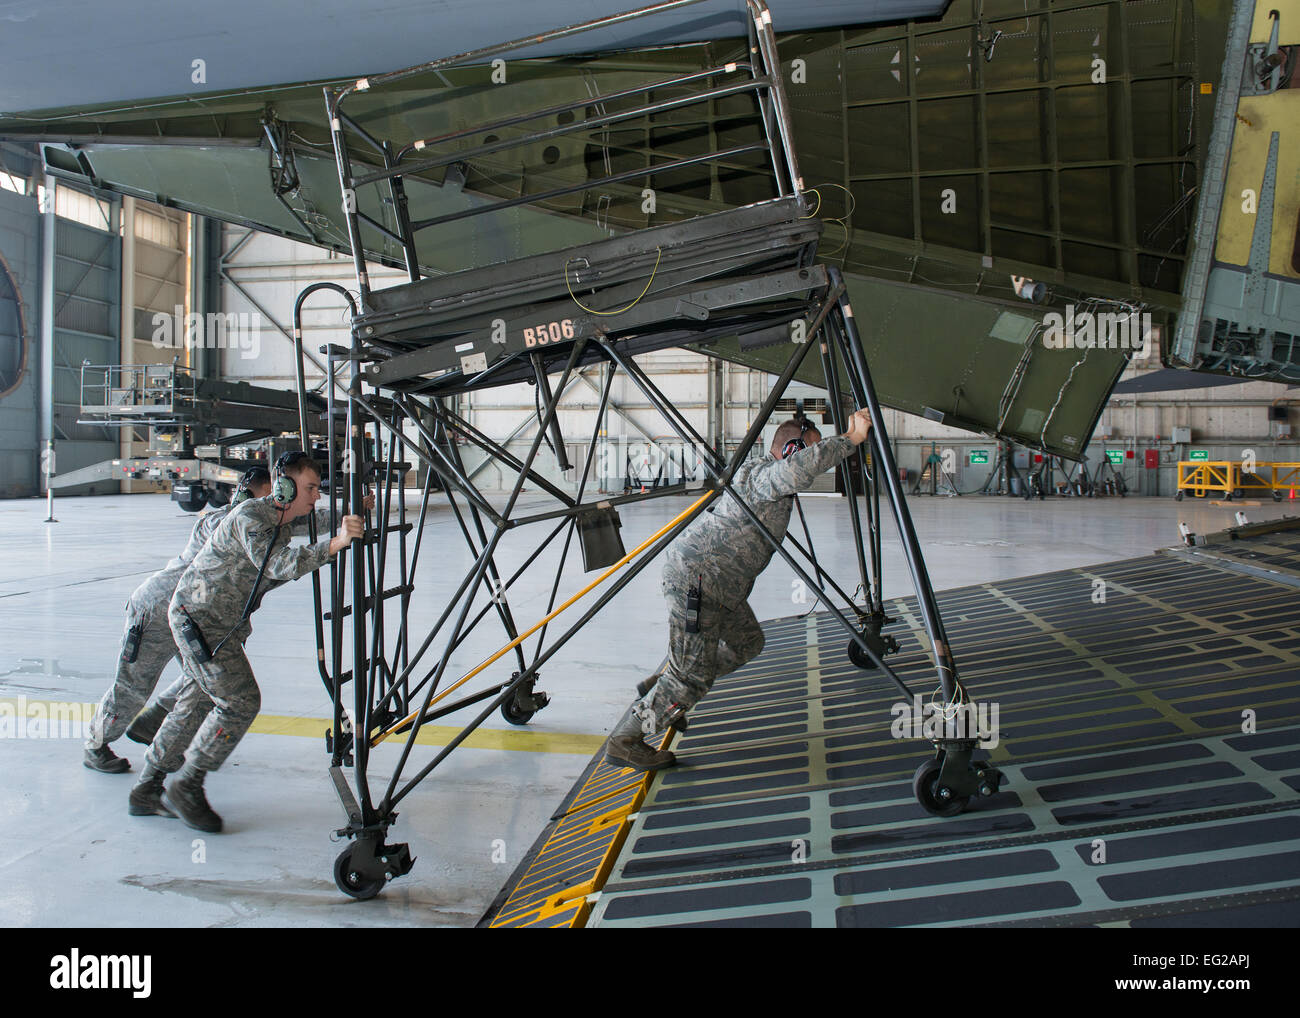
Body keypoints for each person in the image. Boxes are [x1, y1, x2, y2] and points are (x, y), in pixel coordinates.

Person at [605, 410, 873, 771]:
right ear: (792, 451)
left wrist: (846, 434)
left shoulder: (764, 475)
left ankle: (662, 685)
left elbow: (799, 466)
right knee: (692, 678)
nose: (813, 461)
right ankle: (627, 739)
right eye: (808, 451)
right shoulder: (766, 478)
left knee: (748, 643)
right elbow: (799, 469)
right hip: (698, 583)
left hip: (720, 588)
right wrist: (850, 441)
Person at [127, 452, 364, 830]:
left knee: (194, 702)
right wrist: (334, 545)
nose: (316, 496)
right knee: (240, 700)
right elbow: (277, 564)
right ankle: (188, 783)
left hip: (219, 626)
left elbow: (316, 520)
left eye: (318, 488)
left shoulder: (282, 519)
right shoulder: (250, 517)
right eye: (310, 488)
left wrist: (352, 513)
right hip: (199, 621)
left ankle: (146, 789)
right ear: (284, 486)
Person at [83, 466, 274, 775]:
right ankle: (95, 744)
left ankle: (153, 721)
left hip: (192, 617)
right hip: (156, 611)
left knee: (203, 680)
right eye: (267, 498)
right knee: (134, 685)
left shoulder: (253, 524)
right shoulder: (219, 522)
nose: (272, 506)